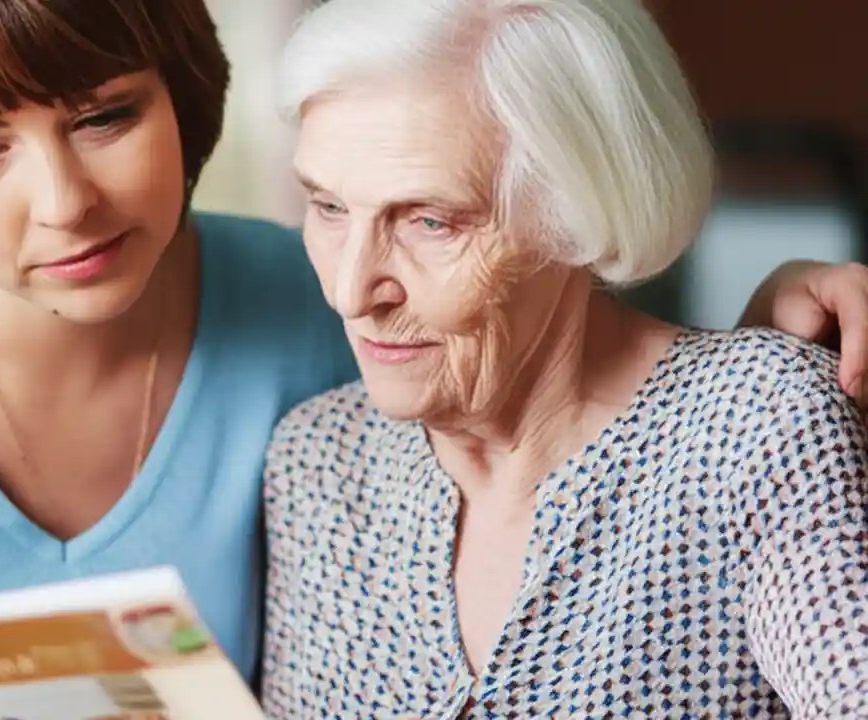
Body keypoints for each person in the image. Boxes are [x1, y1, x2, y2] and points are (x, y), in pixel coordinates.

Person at [0, 1, 864, 718]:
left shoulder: (306, 310)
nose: (63, 205)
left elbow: (548, 351)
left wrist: (756, 353)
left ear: (184, 98)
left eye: (105, 118)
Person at [261, 0, 868, 717]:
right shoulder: (315, 463)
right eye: (329, 209)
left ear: (576, 213)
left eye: (430, 221)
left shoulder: (758, 428)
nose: (350, 290)